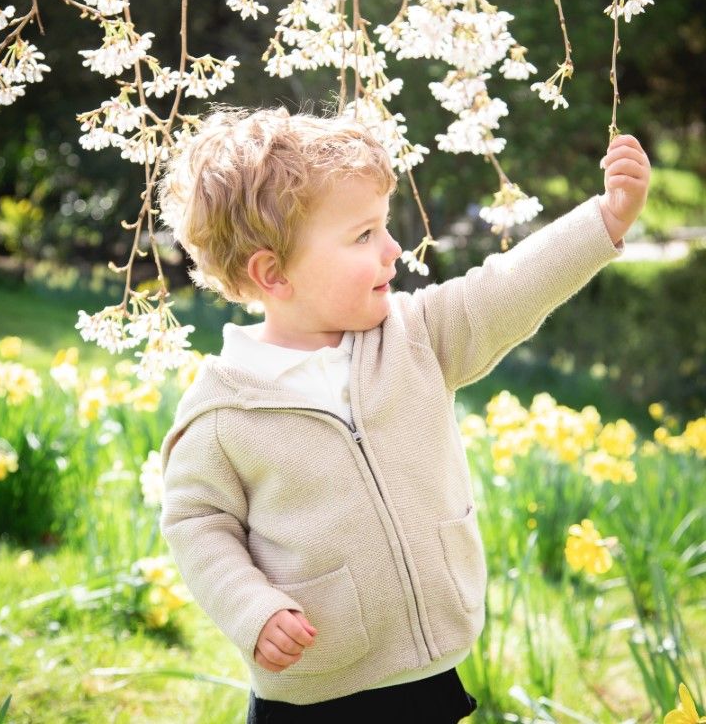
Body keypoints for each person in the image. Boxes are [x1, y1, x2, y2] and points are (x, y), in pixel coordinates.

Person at [158, 107, 650, 723]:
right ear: (273, 273)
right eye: (363, 235)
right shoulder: (225, 407)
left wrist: (603, 221)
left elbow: (507, 288)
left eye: (384, 227)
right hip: (314, 690)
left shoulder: (414, 336)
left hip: (428, 669)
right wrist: (249, 608)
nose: (393, 249)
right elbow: (197, 523)